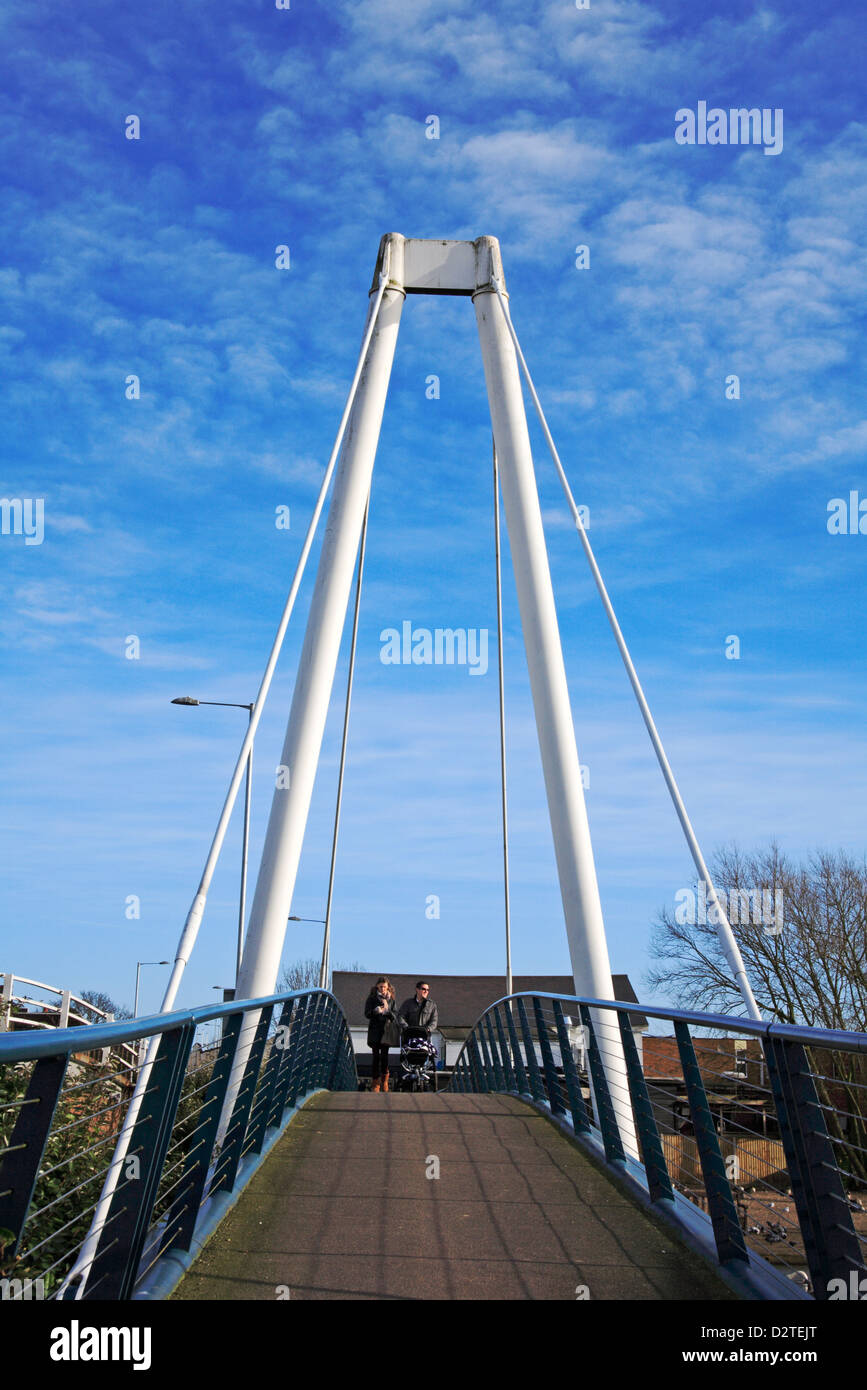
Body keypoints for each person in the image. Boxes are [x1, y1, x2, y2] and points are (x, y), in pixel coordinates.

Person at [364, 976, 400, 1093]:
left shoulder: (392, 1001)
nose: (382, 989)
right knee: (375, 1057)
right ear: (377, 987)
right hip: (375, 1031)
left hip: (386, 1031)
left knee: (384, 1057)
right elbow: (367, 1014)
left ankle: (384, 1081)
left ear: (388, 987)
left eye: (384, 987)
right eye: (380, 987)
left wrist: (387, 1011)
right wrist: (376, 1011)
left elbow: (395, 1016)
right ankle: (375, 1083)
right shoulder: (372, 999)